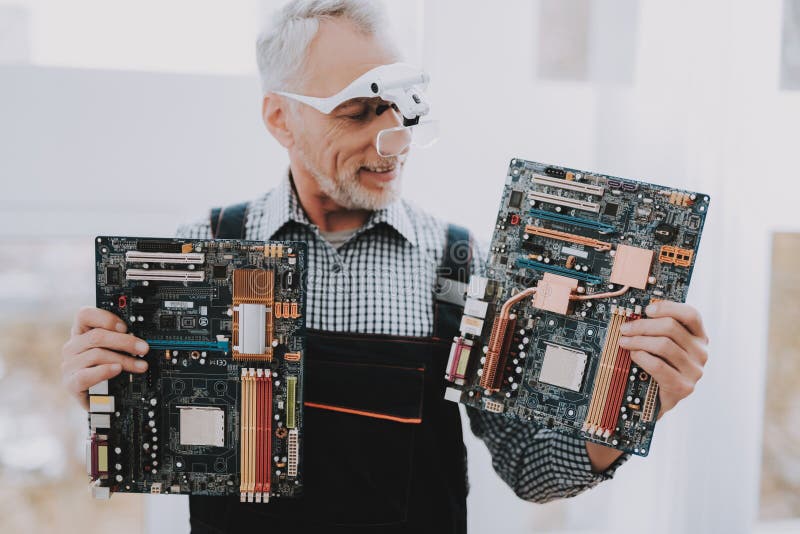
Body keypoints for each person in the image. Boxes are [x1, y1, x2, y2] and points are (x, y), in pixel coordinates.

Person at [61, 1, 710, 532]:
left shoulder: (458, 266)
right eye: (360, 111)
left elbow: (532, 470)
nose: (393, 137)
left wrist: (633, 407)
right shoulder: (200, 252)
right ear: (280, 118)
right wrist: (99, 392)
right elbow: (149, 454)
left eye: (401, 105)